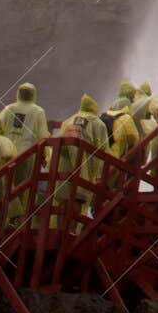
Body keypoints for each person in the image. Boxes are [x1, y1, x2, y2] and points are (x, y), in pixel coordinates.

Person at [52, 95, 109, 226]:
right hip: (85, 171)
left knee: (63, 201)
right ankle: (72, 233)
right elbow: (103, 152)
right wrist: (100, 177)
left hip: (63, 170)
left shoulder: (67, 121)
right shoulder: (98, 124)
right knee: (79, 200)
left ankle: (61, 231)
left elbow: (58, 145)